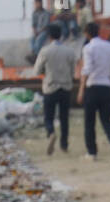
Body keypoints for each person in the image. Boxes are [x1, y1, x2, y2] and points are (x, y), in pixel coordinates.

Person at [78, 19, 110, 163]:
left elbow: (86, 70)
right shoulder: (108, 46)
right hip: (106, 87)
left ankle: (91, 153)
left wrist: (81, 90)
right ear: (98, 32)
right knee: (106, 120)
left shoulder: (88, 48)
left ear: (86, 34)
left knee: (89, 122)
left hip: (92, 87)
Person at [32, 21, 75, 155]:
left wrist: (46, 71)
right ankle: (64, 145)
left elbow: (37, 71)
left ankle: (51, 133)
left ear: (49, 36)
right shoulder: (69, 51)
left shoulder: (45, 51)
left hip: (50, 87)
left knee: (49, 117)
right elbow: (72, 71)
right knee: (64, 118)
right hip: (65, 88)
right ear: (61, 35)